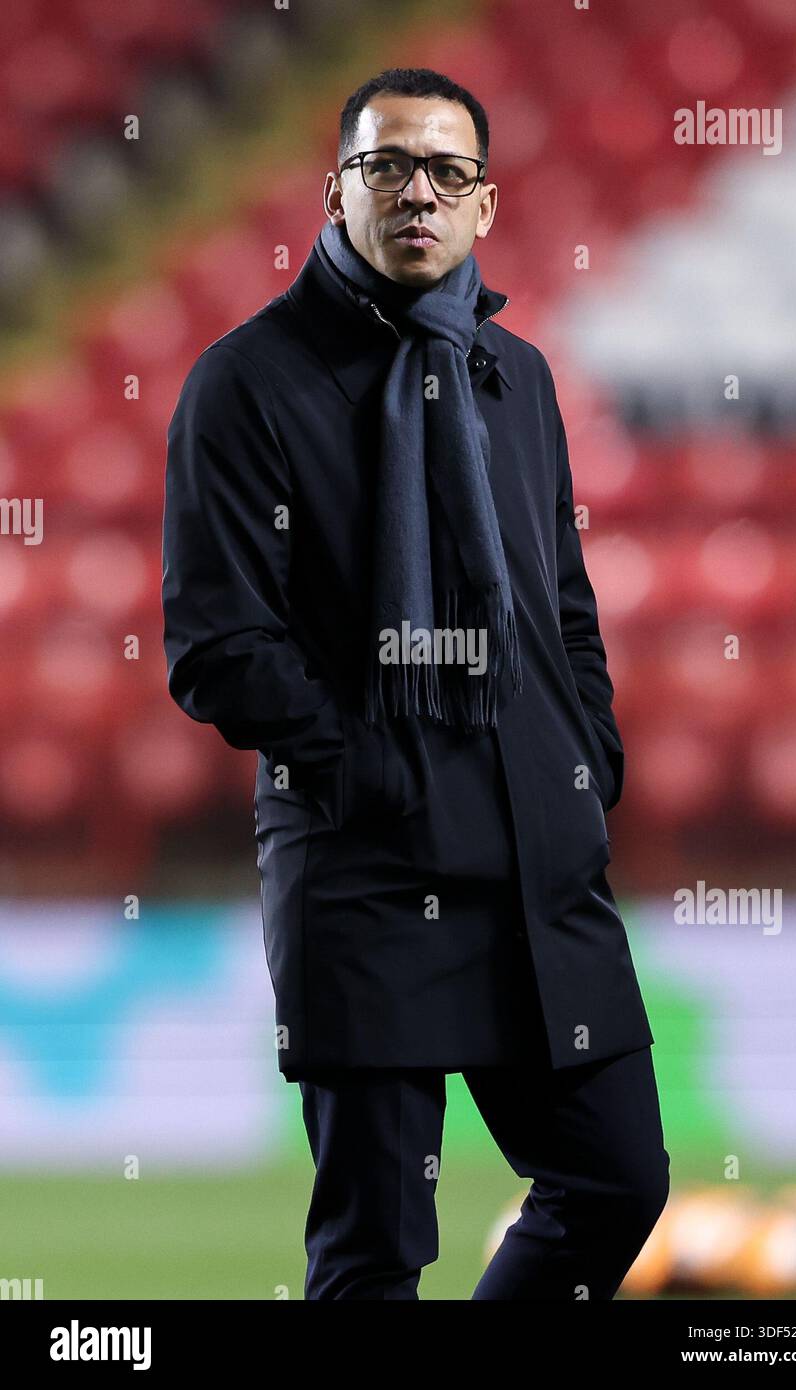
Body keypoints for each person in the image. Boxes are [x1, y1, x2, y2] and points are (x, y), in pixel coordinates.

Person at [162, 66, 669, 1300]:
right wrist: (370, 770)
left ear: (483, 205)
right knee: (374, 1254)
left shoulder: (521, 379)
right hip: (369, 868)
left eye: (446, 171)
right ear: (336, 191)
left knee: (616, 1182)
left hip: (535, 870)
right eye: (384, 165)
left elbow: (561, 603)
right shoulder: (247, 382)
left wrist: (583, 756)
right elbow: (216, 643)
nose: (416, 192)